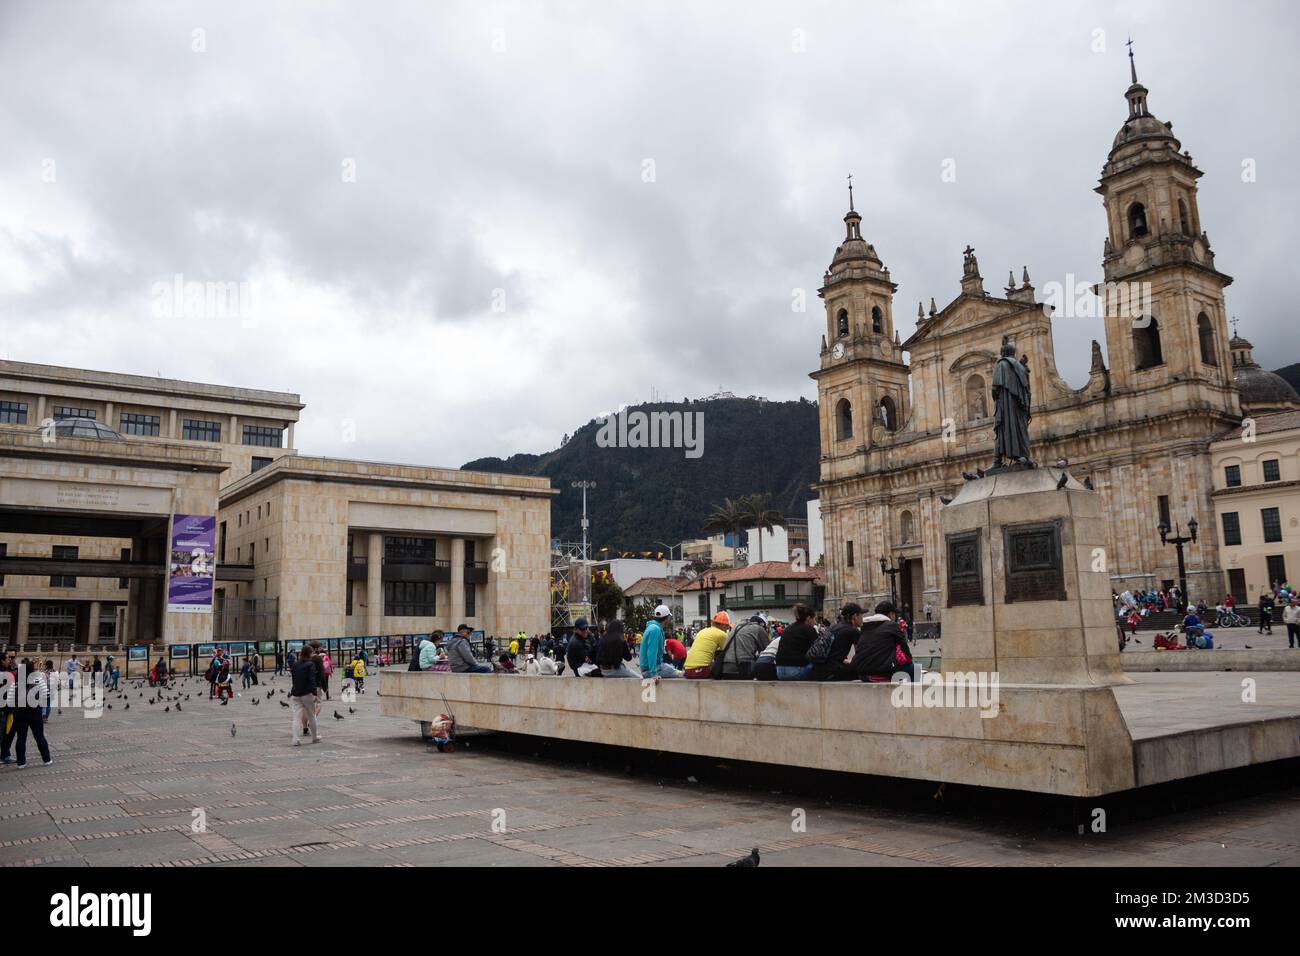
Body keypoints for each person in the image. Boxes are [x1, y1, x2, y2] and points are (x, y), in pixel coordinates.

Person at [851, 601, 916, 682]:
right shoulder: (892, 625)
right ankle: (912, 690)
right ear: (890, 614)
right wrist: (909, 660)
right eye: (894, 614)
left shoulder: (865, 626)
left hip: (863, 674)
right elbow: (904, 647)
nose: (895, 617)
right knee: (915, 669)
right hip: (881, 672)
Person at [12, 659, 52, 768]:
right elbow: (47, 695)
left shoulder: (16, 681)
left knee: (21, 738)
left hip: (20, 713)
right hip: (35, 712)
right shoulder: (38, 679)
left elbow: (10, 698)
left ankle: (21, 763)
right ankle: (47, 759)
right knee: (39, 736)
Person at [811, 603, 864, 682]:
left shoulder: (833, 627)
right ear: (855, 616)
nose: (862, 618)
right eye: (861, 615)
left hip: (818, 670)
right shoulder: (853, 630)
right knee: (863, 672)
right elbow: (860, 655)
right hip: (832, 673)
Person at [716, 614, 770, 680]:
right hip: (743, 668)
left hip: (725, 668)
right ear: (762, 625)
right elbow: (767, 651)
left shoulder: (737, 627)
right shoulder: (759, 629)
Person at [774, 604, 818, 681]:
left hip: (779, 672)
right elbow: (818, 651)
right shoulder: (809, 629)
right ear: (808, 618)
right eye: (814, 619)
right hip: (797, 671)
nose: (815, 622)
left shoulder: (788, 629)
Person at [289, 644, 322, 746]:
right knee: (311, 715)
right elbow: (312, 680)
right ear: (309, 653)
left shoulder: (295, 664)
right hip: (307, 694)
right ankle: (314, 737)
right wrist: (315, 694)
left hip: (296, 693)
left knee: (296, 717)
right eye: (312, 653)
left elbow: (294, 679)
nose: (312, 655)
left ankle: (295, 739)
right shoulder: (310, 664)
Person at [683, 611, 731, 679]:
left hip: (687, 671)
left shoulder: (702, 631)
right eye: (727, 627)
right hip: (700, 671)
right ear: (724, 625)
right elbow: (728, 653)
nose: (727, 630)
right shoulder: (722, 634)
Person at [639, 605, 681, 679]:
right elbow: (652, 652)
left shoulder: (652, 627)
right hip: (652, 669)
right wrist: (653, 674)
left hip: (653, 668)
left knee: (675, 670)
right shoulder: (655, 630)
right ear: (667, 618)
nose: (670, 619)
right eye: (669, 617)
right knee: (683, 675)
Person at [0, 649, 17, 764]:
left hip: (8, 709)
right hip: (2, 709)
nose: (10, 660)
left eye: (11, 658)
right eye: (7, 658)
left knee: (8, 732)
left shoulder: (8, 671)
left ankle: (5, 755)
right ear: (2, 661)